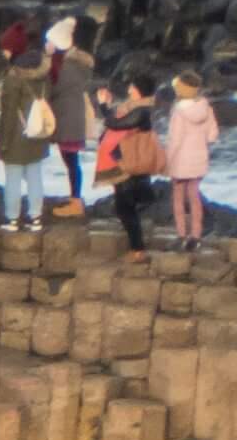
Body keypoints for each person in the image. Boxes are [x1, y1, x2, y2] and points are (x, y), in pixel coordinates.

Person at [94, 75, 160, 262]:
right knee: (124, 205)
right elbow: (115, 122)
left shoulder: (141, 111)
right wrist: (107, 105)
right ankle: (136, 245)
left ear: (139, 90)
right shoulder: (133, 108)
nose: (129, 89)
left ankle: (137, 250)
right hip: (124, 162)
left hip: (132, 164)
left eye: (132, 86)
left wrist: (103, 106)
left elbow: (115, 124)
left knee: (125, 206)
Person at [164, 72, 221, 252]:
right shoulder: (206, 108)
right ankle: (196, 236)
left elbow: (176, 140)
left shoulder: (179, 111)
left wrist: (167, 161)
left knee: (178, 197)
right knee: (194, 196)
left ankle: (181, 235)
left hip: (181, 159)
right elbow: (213, 135)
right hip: (199, 158)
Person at [46, 17, 97, 209]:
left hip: (68, 119)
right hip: (72, 117)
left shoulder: (65, 68)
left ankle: (75, 199)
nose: (46, 45)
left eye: (49, 41)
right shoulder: (77, 64)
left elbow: (55, 90)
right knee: (71, 160)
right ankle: (75, 197)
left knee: (71, 160)